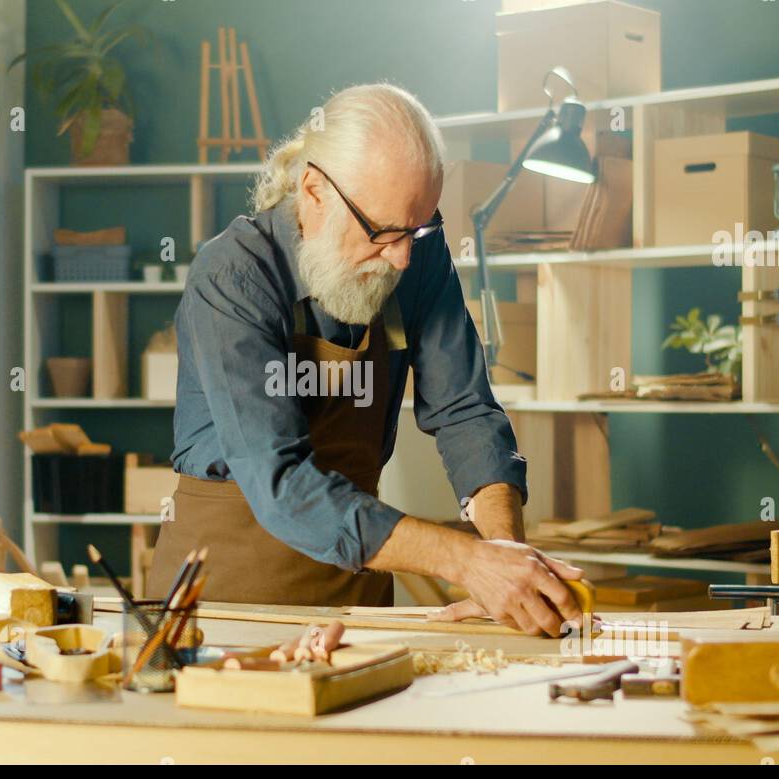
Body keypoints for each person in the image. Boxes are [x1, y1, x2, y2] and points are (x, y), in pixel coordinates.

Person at [148, 83, 583, 636]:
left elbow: (466, 411)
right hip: (227, 602)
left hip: (357, 597)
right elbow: (281, 484)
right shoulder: (232, 276)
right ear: (314, 192)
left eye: (419, 228)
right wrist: (466, 562)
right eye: (383, 232)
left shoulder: (413, 248)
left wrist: (503, 561)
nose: (402, 257)